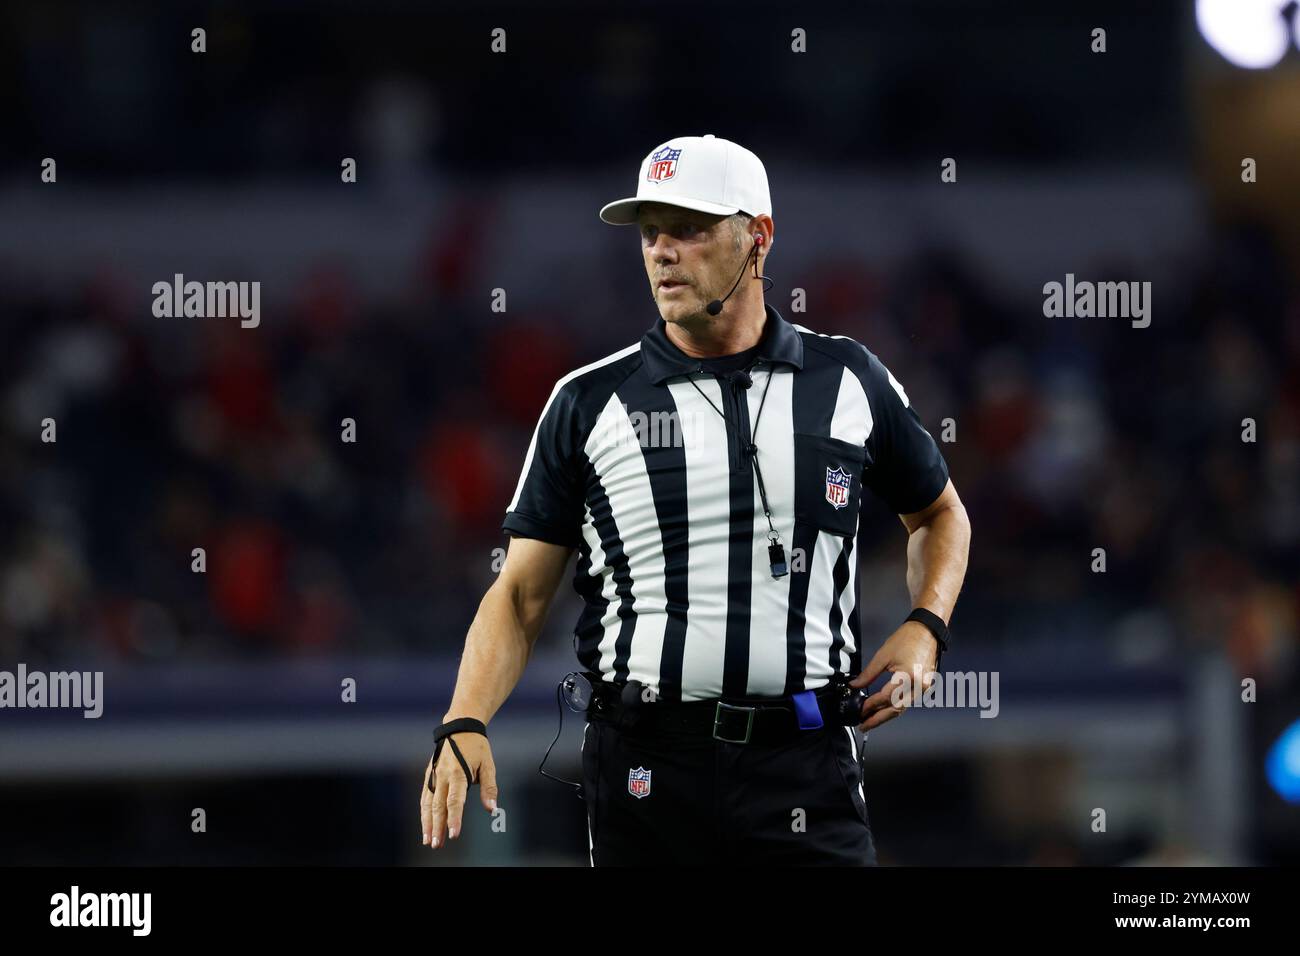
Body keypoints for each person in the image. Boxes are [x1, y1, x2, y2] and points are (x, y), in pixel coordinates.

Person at [420, 134, 971, 865]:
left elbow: (939, 512)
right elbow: (520, 596)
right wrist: (465, 718)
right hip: (648, 768)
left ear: (758, 238)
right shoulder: (588, 402)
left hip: (805, 763)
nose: (662, 251)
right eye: (650, 232)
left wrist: (926, 626)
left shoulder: (849, 381)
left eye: (689, 228)